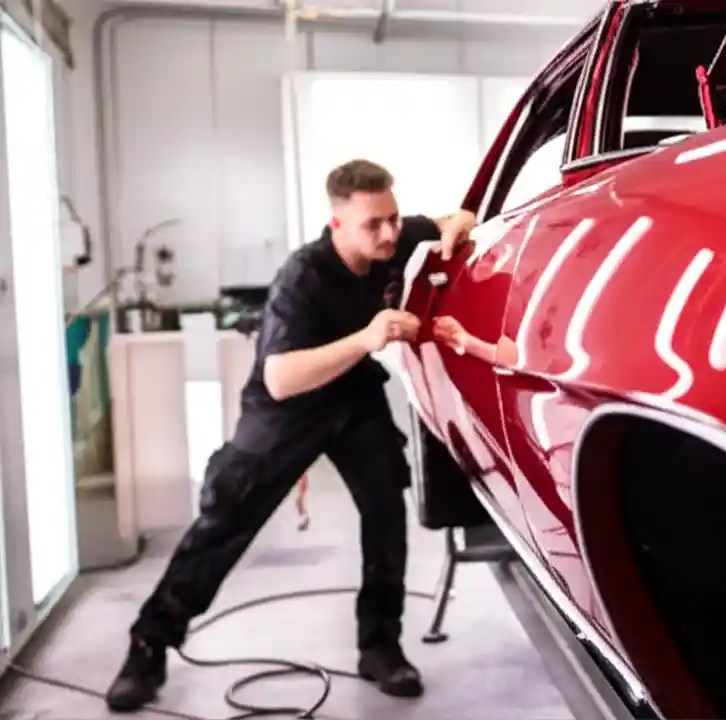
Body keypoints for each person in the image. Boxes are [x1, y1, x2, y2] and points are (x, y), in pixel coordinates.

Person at [105, 159, 476, 712]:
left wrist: (453, 227)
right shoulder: (302, 277)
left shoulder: (395, 237)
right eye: (372, 224)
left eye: (392, 219)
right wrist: (367, 338)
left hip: (352, 398)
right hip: (289, 403)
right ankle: (149, 644)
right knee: (226, 517)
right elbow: (280, 378)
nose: (389, 234)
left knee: (385, 510)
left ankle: (379, 646)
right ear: (336, 225)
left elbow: (459, 217)